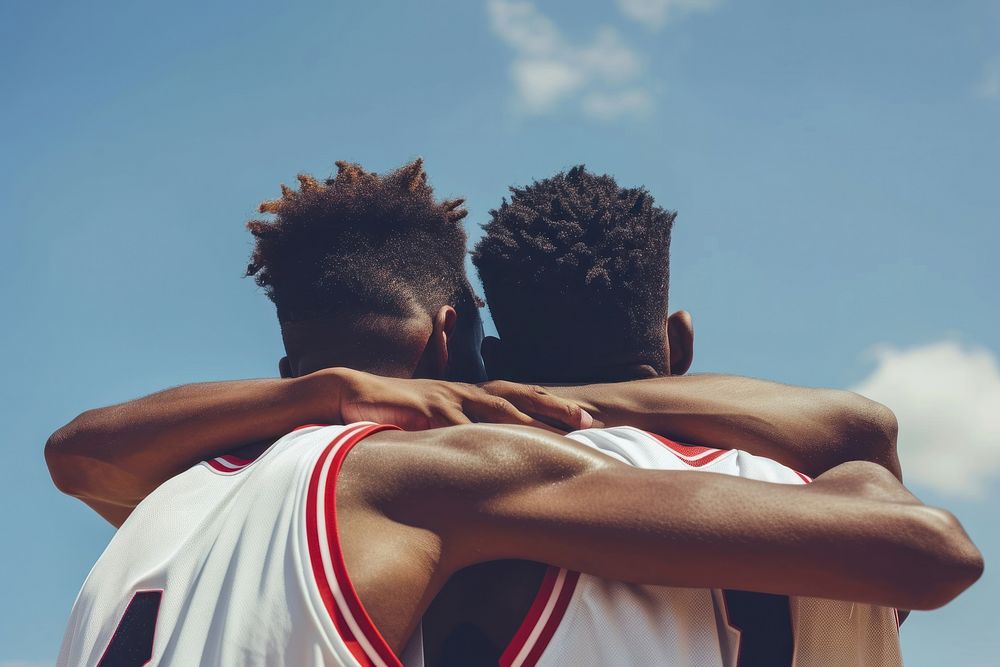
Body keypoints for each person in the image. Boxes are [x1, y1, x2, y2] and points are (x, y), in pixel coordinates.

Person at [48, 161, 981, 666]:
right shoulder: (450, 480)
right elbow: (917, 529)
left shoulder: (169, 496)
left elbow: (73, 451)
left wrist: (317, 393)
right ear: (451, 339)